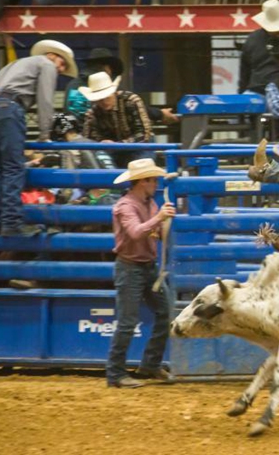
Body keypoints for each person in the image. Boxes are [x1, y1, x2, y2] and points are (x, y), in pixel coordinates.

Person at [0, 39, 77, 237]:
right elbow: (45, 100)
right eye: (62, 65)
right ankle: (11, 223)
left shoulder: (18, 64)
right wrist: (44, 135)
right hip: (8, 108)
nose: (60, 70)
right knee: (13, 167)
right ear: (52, 56)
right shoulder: (46, 64)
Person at [106, 158, 176, 388]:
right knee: (127, 322)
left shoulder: (149, 203)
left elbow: (153, 232)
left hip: (146, 266)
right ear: (141, 181)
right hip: (130, 268)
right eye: (153, 180)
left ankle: (150, 365)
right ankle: (115, 374)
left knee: (165, 313)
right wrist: (159, 219)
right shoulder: (126, 206)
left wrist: (163, 224)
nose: (156, 183)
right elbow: (135, 233)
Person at [65, 48, 178, 126]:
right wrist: (160, 114)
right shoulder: (103, 87)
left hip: (72, 139)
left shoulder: (72, 85)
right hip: (93, 140)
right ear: (107, 68)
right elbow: (130, 105)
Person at [80, 71, 153, 167]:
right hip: (110, 152)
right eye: (99, 100)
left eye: (106, 97)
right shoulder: (92, 113)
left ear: (114, 92)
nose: (103, 102)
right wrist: (102, 143)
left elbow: (144, 134)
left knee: (140, 170)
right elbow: (89, 139)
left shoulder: (131, 101)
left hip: (138, 148)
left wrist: (117, 144)